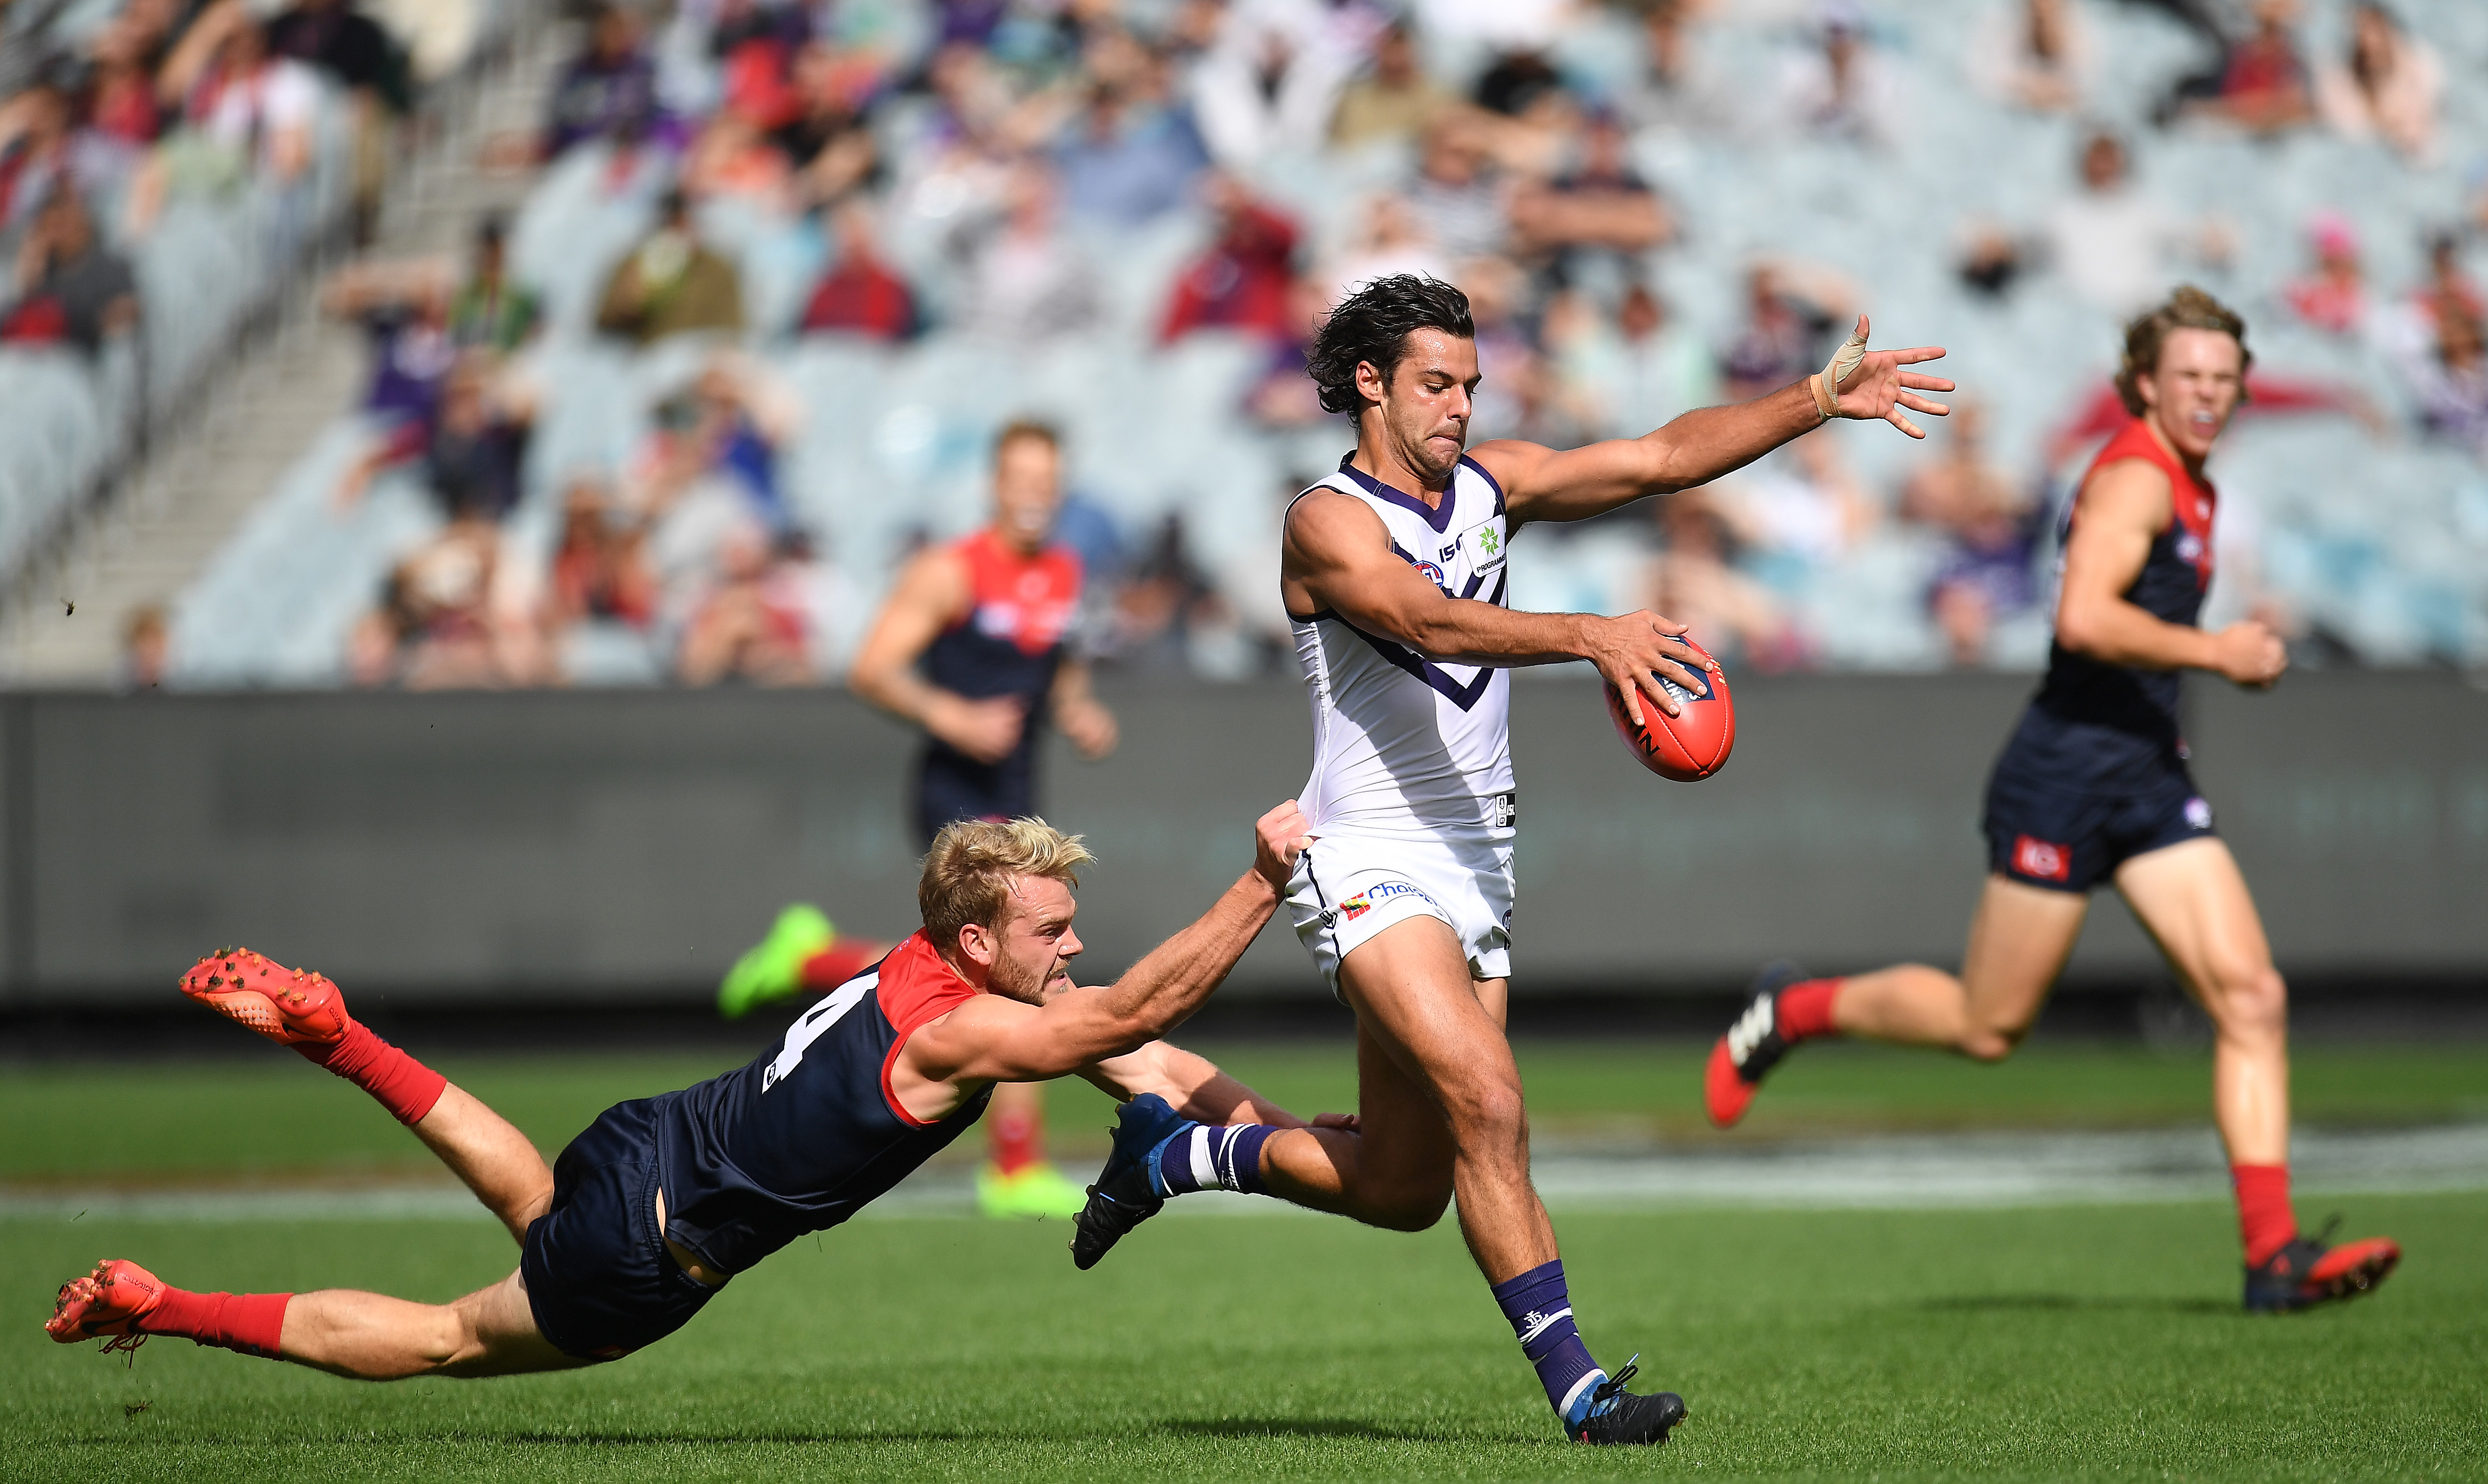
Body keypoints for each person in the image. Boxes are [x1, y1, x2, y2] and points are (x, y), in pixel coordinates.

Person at [1066, 273, 1951, 1446]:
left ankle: (1177, 1154)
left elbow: (1658, 457)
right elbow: (1420, 617)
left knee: (1399, 1188)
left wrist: (1814, 398)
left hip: (1478, 865)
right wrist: (1590, 632)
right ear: (1369, 384)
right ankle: (1584, 1394)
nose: (1461, 407)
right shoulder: (1324, 521)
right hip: (1368, 853)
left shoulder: (1492, 486)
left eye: (1472, 385)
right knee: (1491, 1096)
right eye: (1437, 383)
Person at [47, 804, 1327, 1376]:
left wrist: (1284, 1136)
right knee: (447, 1338)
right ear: (979, 942)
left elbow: (1139, 1051)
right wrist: (1263, 879)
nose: (1073, 946)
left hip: (641, 1141)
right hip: (658, 1249)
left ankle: (340, 1035)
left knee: (537, 1204)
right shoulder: (962, 1037)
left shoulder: (912, 965)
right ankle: (166, 1306)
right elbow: (1140, 1016)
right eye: (1053, 927)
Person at [1701, 287, 2402, 1316]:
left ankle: (2272, 1259)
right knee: (1987, 1028)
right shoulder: (2135, 478)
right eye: (2189, 380)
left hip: (2147, 773)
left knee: (2252, 998)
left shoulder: (2195, 482)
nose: (2208, 397)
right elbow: (2080, 619)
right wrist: (2217, 649)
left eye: (2223, 380)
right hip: (2066, 775)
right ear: (2145, 385)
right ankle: (1796, 1008)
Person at [718, 419, 1118, 1219]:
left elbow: (1059, 668)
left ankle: (814, 955)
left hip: (1020, 789)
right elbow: (872, 668)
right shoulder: (952, 572)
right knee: (1010, 975)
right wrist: (955, 716)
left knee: (961, 971)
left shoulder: (1067, 572)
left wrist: (1079, 711)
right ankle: (1013, 1168)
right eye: (1022, 478)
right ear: (995, 486)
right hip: (957, 794)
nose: (1035, 494)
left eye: (1049, 480)